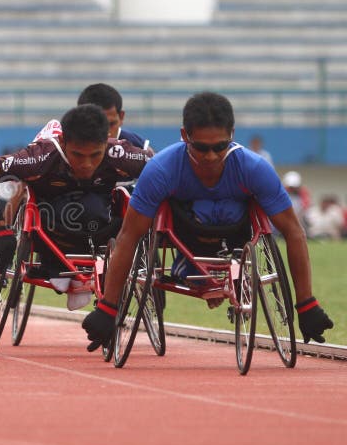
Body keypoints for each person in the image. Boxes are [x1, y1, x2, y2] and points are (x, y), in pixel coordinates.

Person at [83, 92, 334, 351]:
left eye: (220, 146)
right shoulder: (161, 169)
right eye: (201, 147)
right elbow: (129, 236)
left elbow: (293, 232)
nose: (211, 156)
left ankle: (227, 271)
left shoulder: (254, 168)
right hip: (185, 240)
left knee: (230, 206)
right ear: (184, 136)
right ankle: (192, 271)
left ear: (232, 135)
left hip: (236, 235)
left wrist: (306, 304)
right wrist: (108, 307)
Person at [0, 104, 150, 311]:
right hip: (50, 222)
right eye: (78, 155)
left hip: (99, 220)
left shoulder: (119, 152)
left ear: (106, 143)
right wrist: (1, 229)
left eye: (95, 155)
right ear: (63, 142)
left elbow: (158, 166)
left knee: (102, 207)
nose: (87, 164)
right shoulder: (38, 156)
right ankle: (53, 264)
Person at [78, 82, 151, 151]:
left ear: (121, 117)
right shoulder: (68, 143)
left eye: (111, 124)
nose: (106, 134)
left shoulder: (139, 148)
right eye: (95, 126)